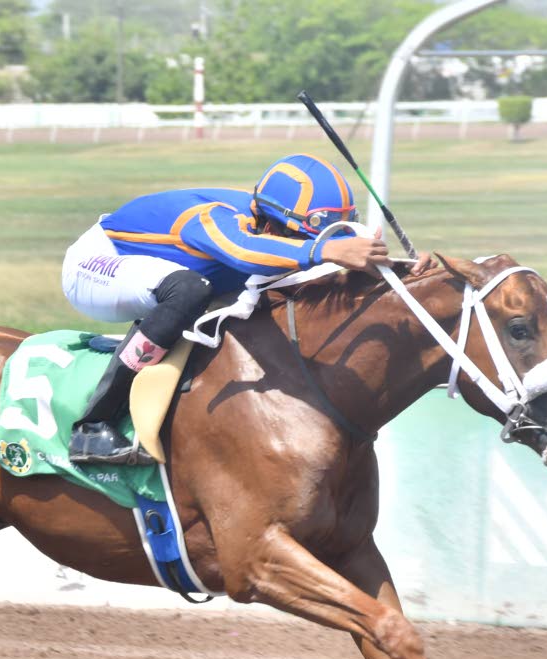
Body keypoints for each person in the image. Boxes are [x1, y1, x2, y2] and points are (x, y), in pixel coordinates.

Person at [61, 152, 431, 465]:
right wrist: (323, 251)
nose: (312, 244)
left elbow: (355, 255)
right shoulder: (212, 218)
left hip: (169, 269)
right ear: (269, 219)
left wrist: (410, 269)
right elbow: (243, 251)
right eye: (301, 235)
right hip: (96, 265)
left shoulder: (286, 220)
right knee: (190, 290)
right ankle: (92, 428)